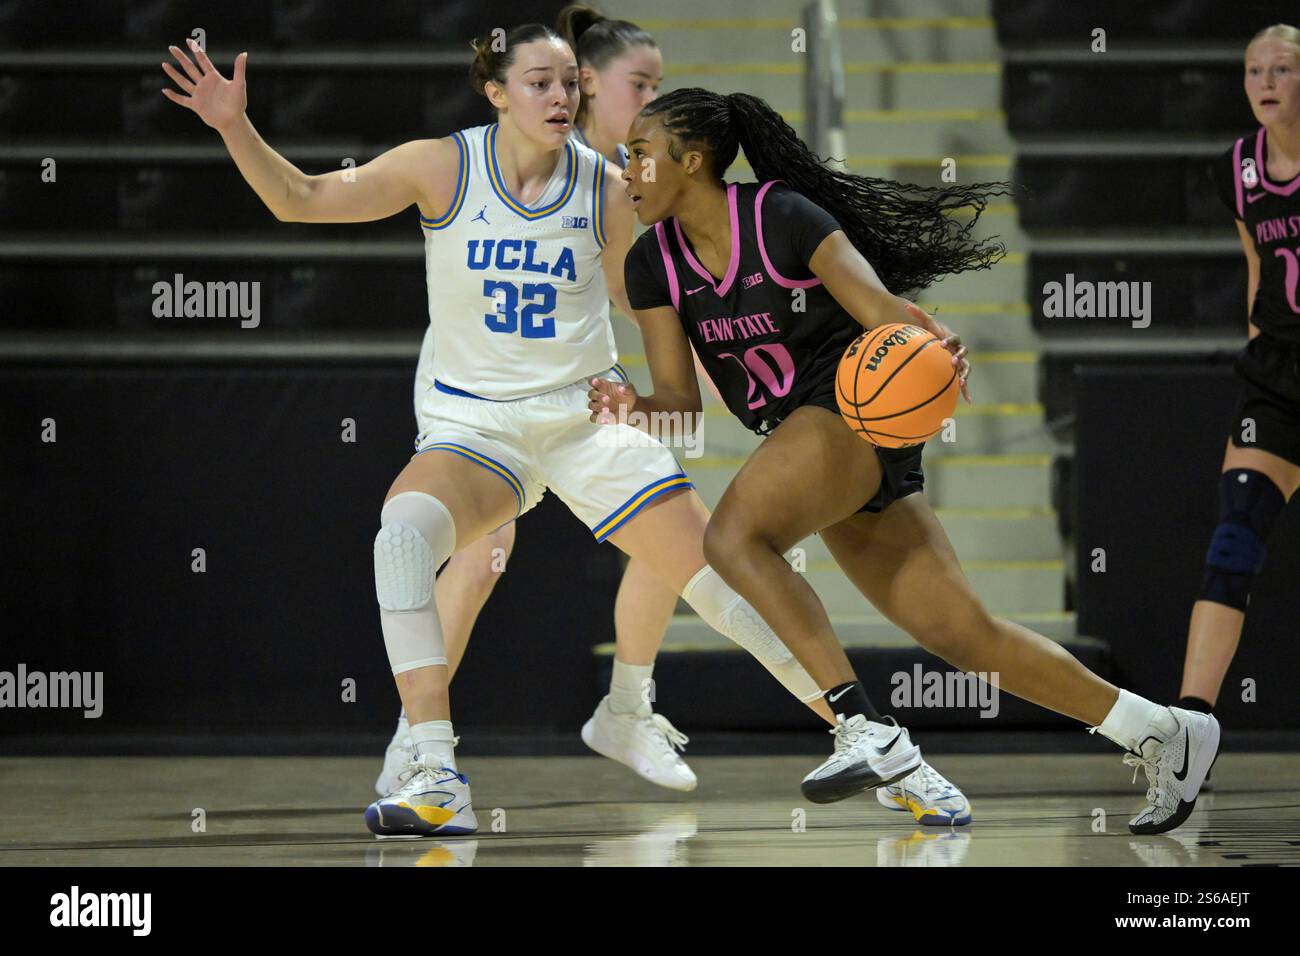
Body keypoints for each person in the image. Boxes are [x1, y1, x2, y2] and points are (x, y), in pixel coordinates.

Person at [163, 24, 957, 839]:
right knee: (401, 539)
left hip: (586, 418)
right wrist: (233, 123)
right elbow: (299, 200)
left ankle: (889, 754)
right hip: (478, 426)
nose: (561, 98)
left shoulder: (611, 190)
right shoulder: (441, 166)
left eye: (570, 84)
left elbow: (655, 304)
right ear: (496, 92)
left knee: (726, 588)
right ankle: (435, 768)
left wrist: (805, 354)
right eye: (538, 82)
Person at [601, 87, 1218, 834]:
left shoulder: (782, 216)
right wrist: (629, 407)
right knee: (965, 637)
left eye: (637, 153)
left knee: (730, 537)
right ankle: (1162, 731)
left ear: (690, 160)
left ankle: (866, 728)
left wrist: (933, 343)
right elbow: (681, 403)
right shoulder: (649, 263)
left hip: (854, 408)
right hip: (804, 439)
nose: (624, 168)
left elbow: (882, 311)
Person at [376, 4, 691, 799]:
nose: (648, 101)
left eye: (659, 85)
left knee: (668, 530)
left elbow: (637, 298)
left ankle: (627, 704)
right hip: (477, 387)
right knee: (478, 557)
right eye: (637, 84)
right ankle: (416, 741)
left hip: (569, 383)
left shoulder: (619, 179)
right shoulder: (524, 156)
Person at [1183, 24, 1300, 784]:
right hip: (1281, 371)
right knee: (1235, 537)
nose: (1265, 81)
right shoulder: (1240, 167)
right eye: (1254, 69)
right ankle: (1188, 737)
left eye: (1283, 69)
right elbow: (1257, 266)